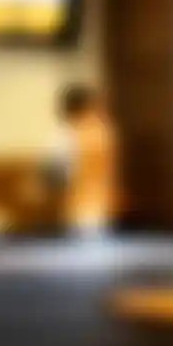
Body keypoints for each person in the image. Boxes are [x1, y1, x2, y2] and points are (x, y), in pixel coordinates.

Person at [59, 84, 119, 234]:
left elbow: (62, 175)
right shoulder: (105, 132)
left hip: (80, 209)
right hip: (105, 207)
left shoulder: (69, 135)